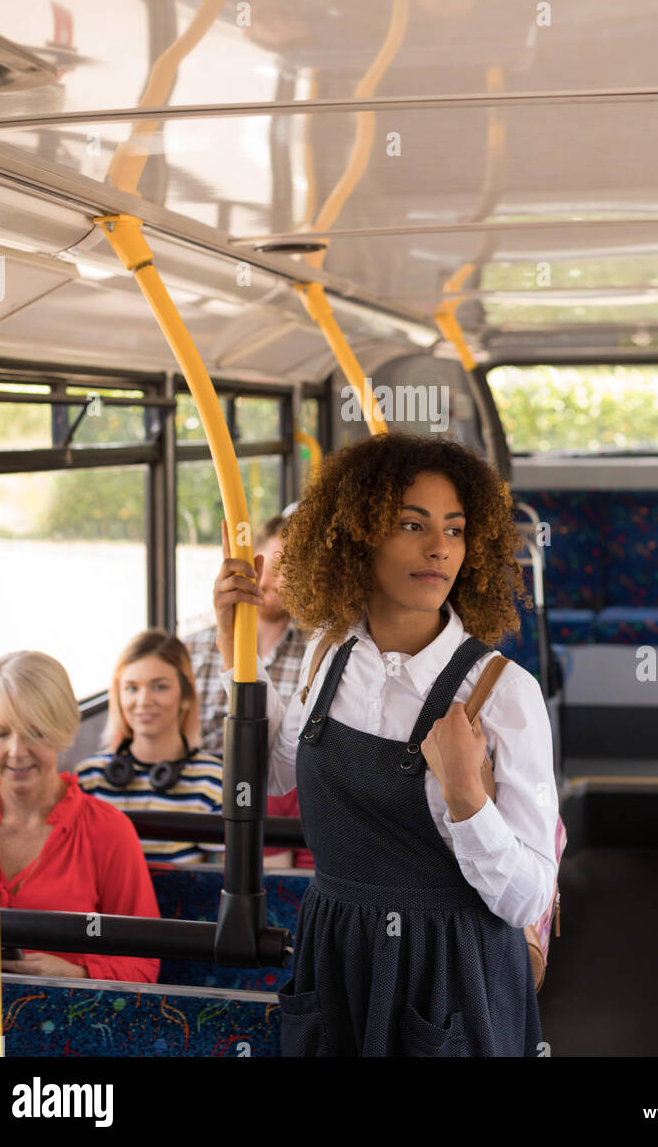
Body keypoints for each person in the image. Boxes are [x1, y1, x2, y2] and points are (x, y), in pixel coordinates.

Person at [213, 432, 559, 1057]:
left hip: (454, 971)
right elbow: (268, 778)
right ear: (357, 535)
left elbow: (528, 897)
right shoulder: (328, 653)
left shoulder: (503, 692)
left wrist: (466, 795)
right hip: (336, 948)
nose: (439, 549)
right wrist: (235, 653)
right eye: (411, 524)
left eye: (455, 530)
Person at [0, 651, 160, 983]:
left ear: (63, 731)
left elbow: (143, 965)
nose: (16, 751)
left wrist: (76, 974)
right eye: (0, 734)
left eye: (35, 733)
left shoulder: (108, 831)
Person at [188, 513, 312, 868]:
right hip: (201, 804)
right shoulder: (193, 651)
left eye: (289, 568)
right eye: (268, 565)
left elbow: (284, 767)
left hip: (277, 812)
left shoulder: (316, 656)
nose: (275, 578)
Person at [77, 631, 223, 865]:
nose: (143, 701)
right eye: (132, 688)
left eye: (159, 687)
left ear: (185, 696)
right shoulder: (90, 778)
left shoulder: (212, 780)